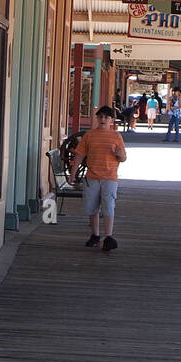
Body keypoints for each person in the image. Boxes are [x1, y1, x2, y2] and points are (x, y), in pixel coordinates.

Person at [70, 106, 127, 253]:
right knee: (92, 206)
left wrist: (119, 155)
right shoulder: (89, 135)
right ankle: (95, 235)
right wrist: (73, 174)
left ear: (111, 120)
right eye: (100, 117)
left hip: (110, 177)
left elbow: (123, 158)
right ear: (96, 119)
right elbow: (80, 155)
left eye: (106, 117)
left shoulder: (116, 136)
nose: (103, 120)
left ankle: (108, 236)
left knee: (108, 205)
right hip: (92, 176)